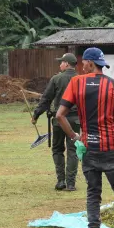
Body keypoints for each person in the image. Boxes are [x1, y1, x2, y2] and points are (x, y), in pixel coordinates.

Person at [55, 47, 114, 228]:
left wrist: (75, 137)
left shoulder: (76, 83)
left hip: (90, 149)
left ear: (90, 63)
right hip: (112, 148)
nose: (82, 66)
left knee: (93, 193)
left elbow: (59, 115)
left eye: (84, 63)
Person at [32, 53, 80, 191]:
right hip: (76, 120)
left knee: (58, 149)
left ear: (66, 64)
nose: (59, 65)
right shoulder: (80, 79)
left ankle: (61, 181)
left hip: (59, 120)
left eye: (61, 62)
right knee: (73, 150)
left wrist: (36, 115)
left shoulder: (56, 79)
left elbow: (46, 99)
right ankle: (71, 184)